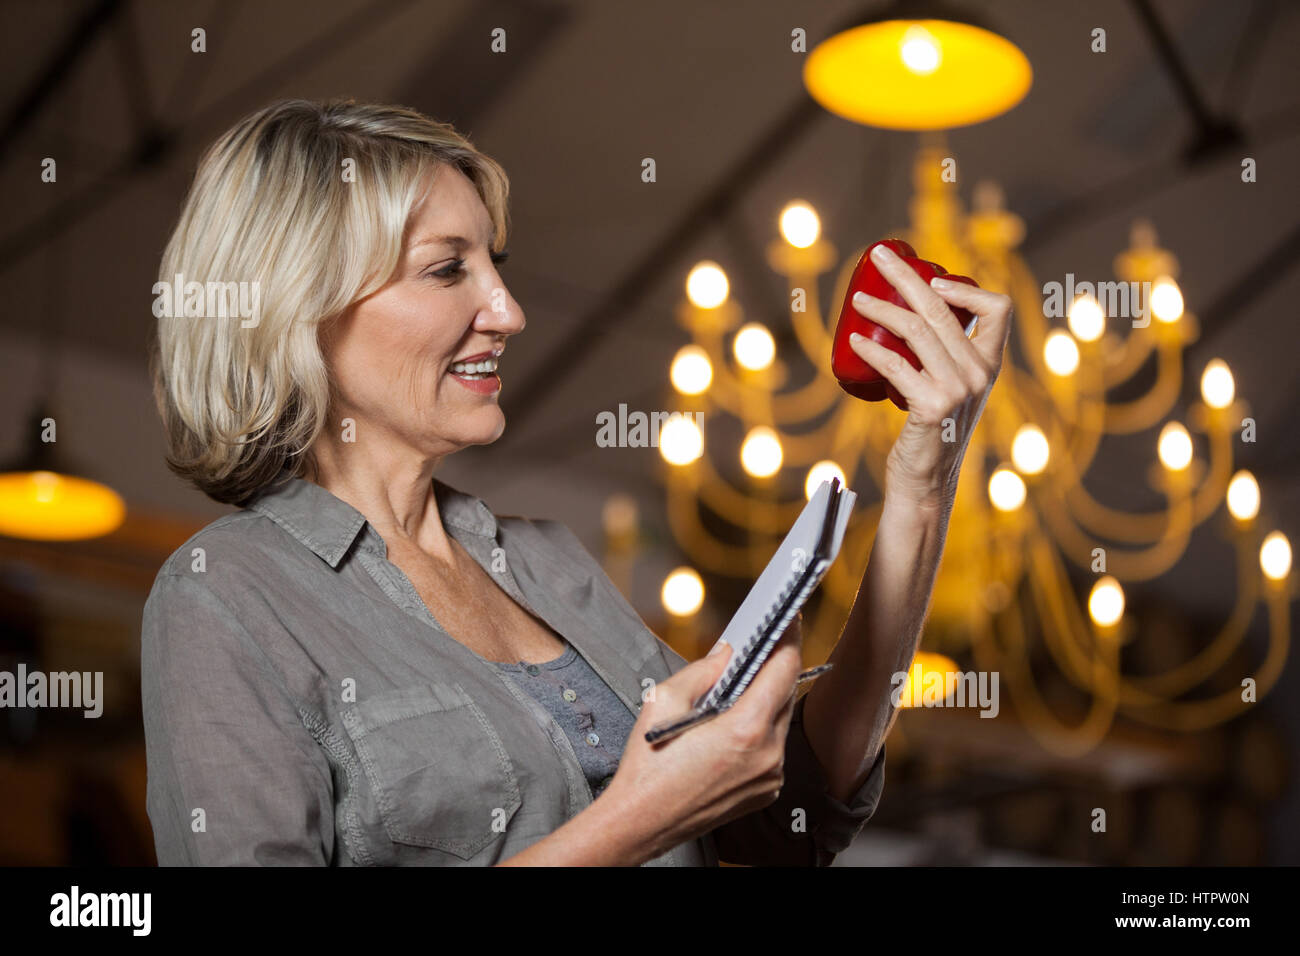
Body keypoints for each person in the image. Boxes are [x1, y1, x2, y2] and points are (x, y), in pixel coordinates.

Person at [142, 99, 1012, 866]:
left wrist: (925, 482)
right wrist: (638, 819)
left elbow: (796, 816)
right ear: (303, 307)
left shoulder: (545, 561)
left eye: (496, 263)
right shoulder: (224, 598)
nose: (509, 311)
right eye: (448, 269)